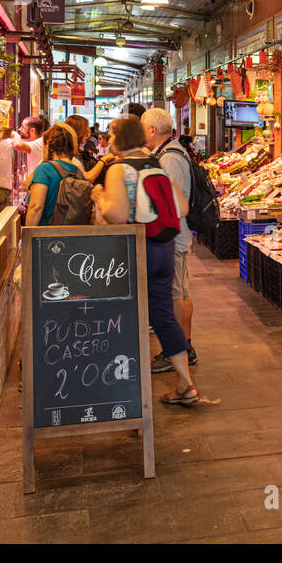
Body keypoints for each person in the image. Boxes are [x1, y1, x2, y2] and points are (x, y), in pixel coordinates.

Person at [93, 116, 199, 406]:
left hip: (135, 250)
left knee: (127, 316)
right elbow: (182, 207)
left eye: (112, 135)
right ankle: (186, 385)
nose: (109, 140)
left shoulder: (119, 168)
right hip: (163, 248)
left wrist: (100, 196)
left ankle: (124, 389)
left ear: (121, 139)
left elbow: (115, 215)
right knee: (162, 316)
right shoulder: (156, 164)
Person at [142, 107, 198, 372]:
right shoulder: (166, 154)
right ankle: (186, 347)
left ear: (152, 130)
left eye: (143, 128)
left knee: (176, 295)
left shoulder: (170, 158)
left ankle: (175, 351)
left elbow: (175, 202)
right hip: (177, 233)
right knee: (181, 292)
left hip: (174, 235)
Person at [24, 125, 82, 226]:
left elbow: (36, 207)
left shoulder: (45, 169)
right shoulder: (77, 171)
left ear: (48, 145)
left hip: (46, 235)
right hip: (71, 235)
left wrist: (27, 237)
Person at [12, 116, 46, 182]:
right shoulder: (31, 142)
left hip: (39, 185)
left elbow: (18, 145)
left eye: (23, 127)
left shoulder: (40, 142)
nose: (20, 129)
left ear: (32, 130)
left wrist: (14, 133)